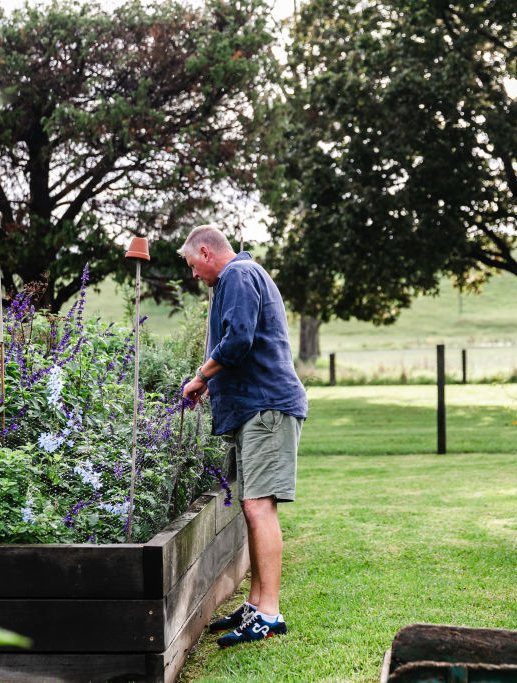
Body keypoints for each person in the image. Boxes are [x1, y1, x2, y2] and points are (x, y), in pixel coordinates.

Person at [178, 224, 307, 648]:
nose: (194, 275)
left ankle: (269, 614)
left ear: (205, 251)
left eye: (194, 265)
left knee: (259, 508)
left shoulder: (237, 275)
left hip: (267, 407)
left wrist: (200, 378)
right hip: (255, 410)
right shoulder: (238, 278)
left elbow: (238, 342)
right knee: (253, 508)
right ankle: (255, 603)